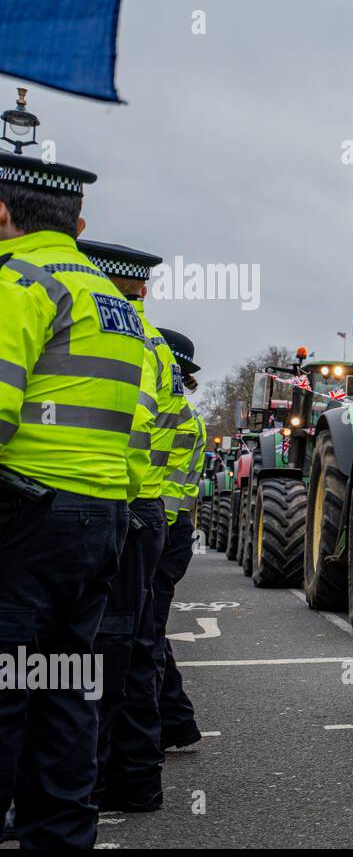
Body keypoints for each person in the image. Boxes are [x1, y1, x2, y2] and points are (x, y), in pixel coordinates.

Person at [0, 151, 147, 848]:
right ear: (74, 220)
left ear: (2, 215)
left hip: (25, 515)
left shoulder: (19, 280)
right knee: (65, 692)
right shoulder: (112, 299)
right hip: (99, 517)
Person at [77, 240, 172, 810]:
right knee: (134, 648)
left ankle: (94, 781)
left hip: (120, 502)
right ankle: (133, 779)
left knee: (105, 652)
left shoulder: (110, 334)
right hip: (142, 505)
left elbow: (128, 428)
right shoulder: (150, 340)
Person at [154, 328, 203, 755]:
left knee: (144, 633)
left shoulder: (173, 416)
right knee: (147, 632)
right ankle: (175, 721)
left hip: (161, 529)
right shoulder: (184, 413)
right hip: (171, 529)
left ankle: (169, 721)